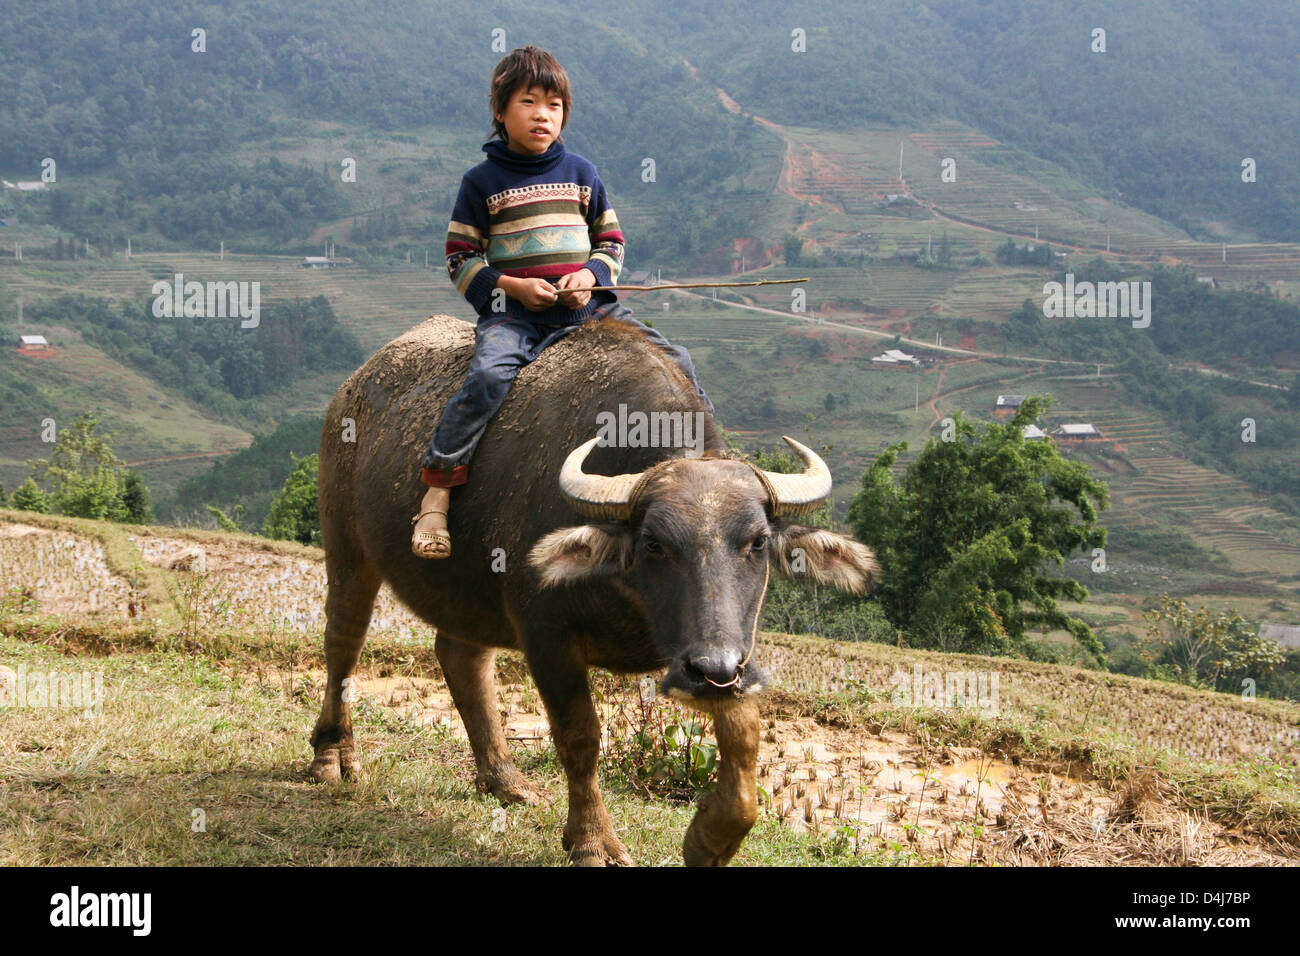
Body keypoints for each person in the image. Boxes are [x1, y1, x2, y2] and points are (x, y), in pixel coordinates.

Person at [412, 46, 712, 558]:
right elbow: (459, 258)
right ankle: (438, 488)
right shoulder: (481, 183)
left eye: (554, 105)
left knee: (676, 360)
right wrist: (512, 288)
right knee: (486, 377)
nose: (542, 115)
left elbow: (610, 242)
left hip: (589, 308)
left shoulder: (581, 171)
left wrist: (588, 275)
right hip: (516, 318)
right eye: (529, 102)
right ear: (500, 110)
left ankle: (707, 468)